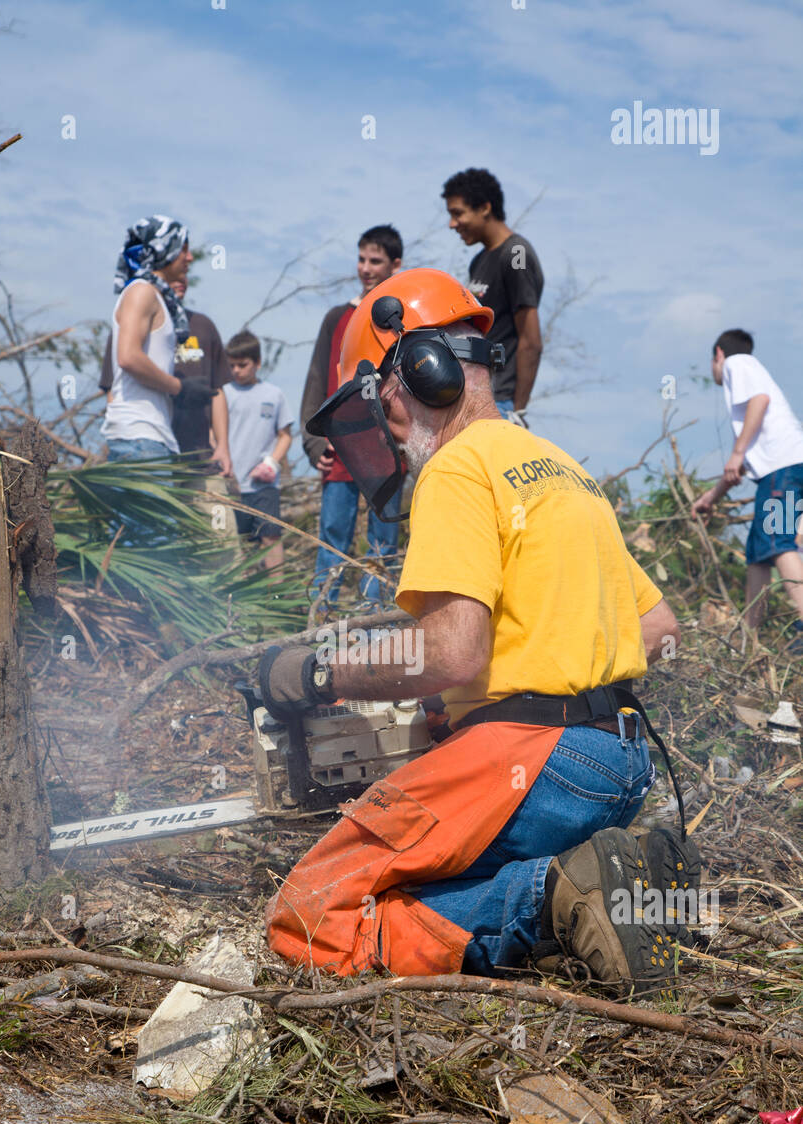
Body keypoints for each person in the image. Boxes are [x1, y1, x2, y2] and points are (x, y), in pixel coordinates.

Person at [260, 268, 697, 995]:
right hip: (617, 768)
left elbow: (453, 649)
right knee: (425, 894)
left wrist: (317, 674)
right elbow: (657, 626)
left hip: (530, 761)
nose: (389, 437)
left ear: (418, 373)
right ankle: (601, 888)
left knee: (311, 916)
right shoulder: (561, 469)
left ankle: (553, 899)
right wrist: (513, 681)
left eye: (380, 409)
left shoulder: (458, 468)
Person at [300, 225, 405, 614]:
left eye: (375, 260)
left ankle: (372, 622)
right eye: (361, 259)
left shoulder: (403, 323)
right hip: (341, 446)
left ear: (395, 265)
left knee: (383, 544)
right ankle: (320, 617)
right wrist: (314, 443)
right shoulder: (338, 318)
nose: (365, 268)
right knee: (332, 538)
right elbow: (316, 382)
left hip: (388, 448)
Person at [692, 329, 803, 655]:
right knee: (758, 554)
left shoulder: (737, 363)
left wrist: (737, 452)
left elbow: (760, 400)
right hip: (783, 471)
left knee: (776, 540)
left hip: (782, 471)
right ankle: (748, 644)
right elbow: (737, 470)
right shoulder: (747, 388)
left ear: (718, 354)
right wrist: (711, 497)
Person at [100, 269, 234, 535]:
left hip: (199, 461)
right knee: (157, 545)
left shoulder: (202, 326)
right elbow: (114, 390)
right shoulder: (132, 319)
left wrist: (223, 446)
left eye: (184, 274)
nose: (180, 279)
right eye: (172, 272)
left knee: (222, 540)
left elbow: (217, 390)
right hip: (152, 453)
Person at [443, 168, 543, 426]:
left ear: (485, 208)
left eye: (458, 213)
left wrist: (517, 413)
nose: (452, 224)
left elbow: (530, 341)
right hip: (474, 397)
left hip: (501, 403)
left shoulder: (516, 252)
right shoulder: (479, 261)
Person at [221, 330, 293, 570]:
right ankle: (238, 600)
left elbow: (285, 436)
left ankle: (277, 599)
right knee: (232, 542)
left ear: (258, 363)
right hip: (231, 484)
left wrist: (272, 463)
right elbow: (214, 434)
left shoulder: (274, 395)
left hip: (263, 487)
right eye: (232, 365)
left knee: (270, 538)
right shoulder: (223, 394)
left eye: (243, 365)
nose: (236, 371)